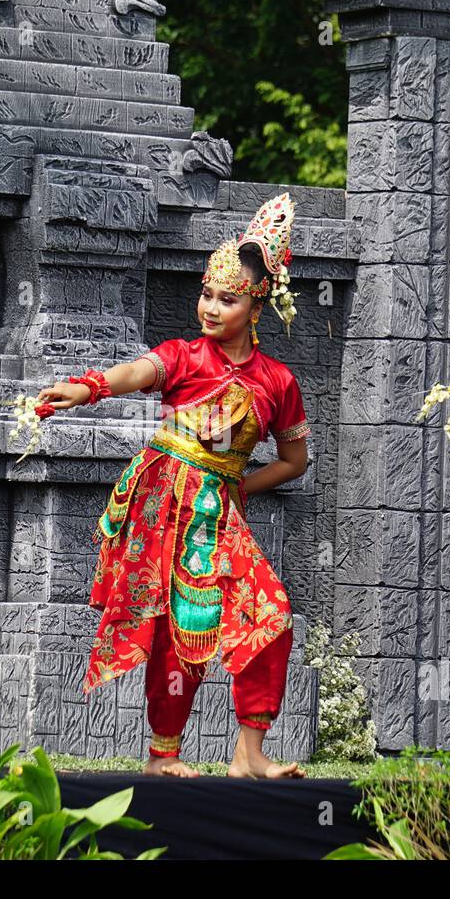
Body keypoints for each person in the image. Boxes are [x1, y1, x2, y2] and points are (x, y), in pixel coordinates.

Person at [38, 194, 310, 778]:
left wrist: (240, 487)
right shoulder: (185, 356)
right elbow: (137, 372)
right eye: (207, 294)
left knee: (272, 613)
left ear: (256, 304)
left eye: (227, 299)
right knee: (175, 623)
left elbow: (295, 460)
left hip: (219, 512)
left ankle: (249, 753)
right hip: (165, 504)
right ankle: (164, 755)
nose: (210, 307)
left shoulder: (278, 382)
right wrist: (87, 388)